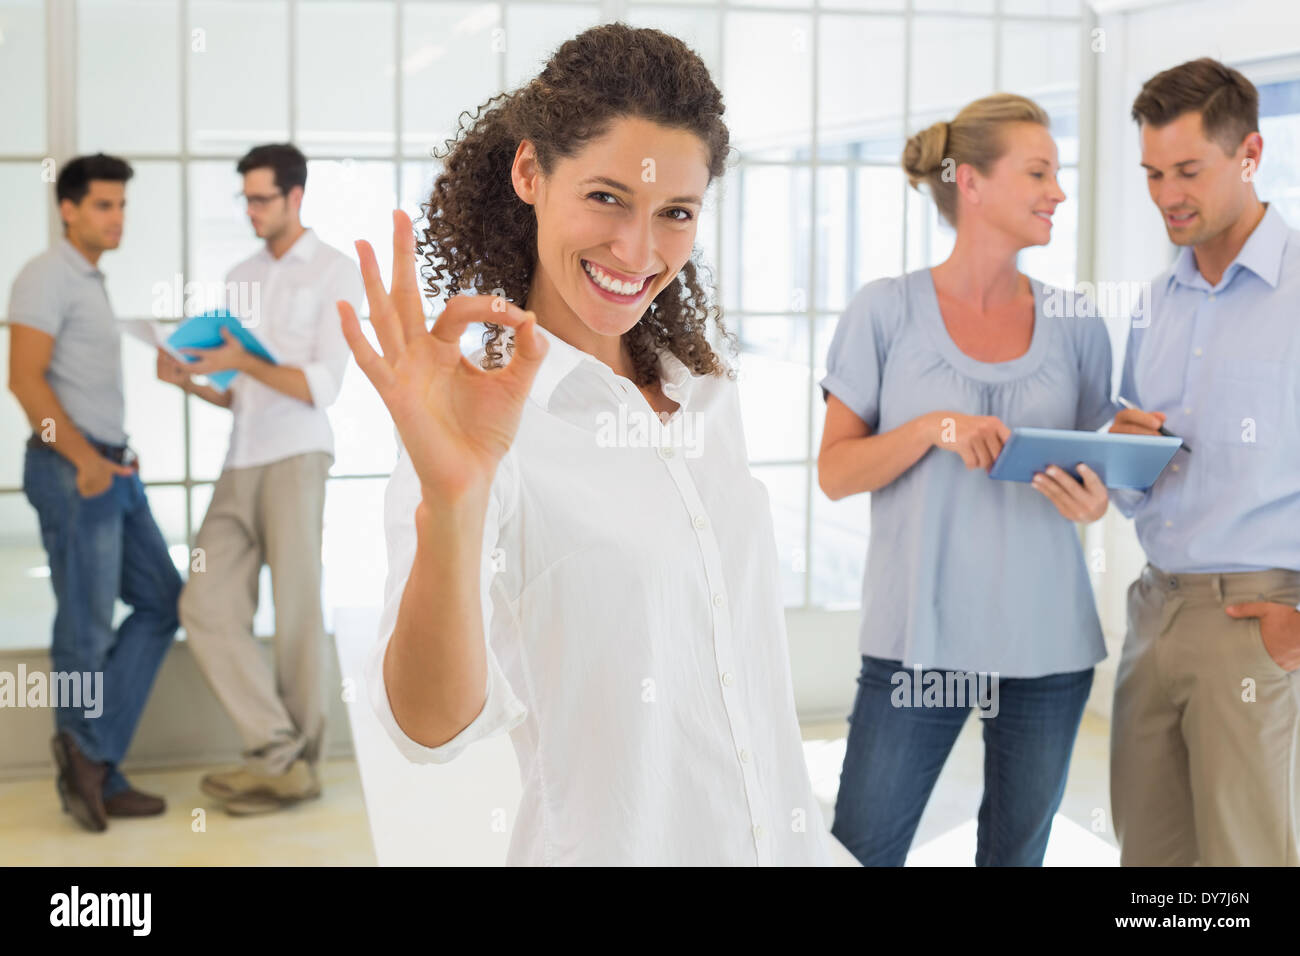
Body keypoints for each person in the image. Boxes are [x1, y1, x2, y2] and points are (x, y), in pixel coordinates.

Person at [342, 24, 833, 865]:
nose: (637, 251)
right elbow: (427, 727)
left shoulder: (706, 396)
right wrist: (455, 501)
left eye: (675, 213)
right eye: (606, 197)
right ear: (530, 173)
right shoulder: (482, 437)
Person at [819, 94, 1117, 866]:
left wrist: (1096, 498)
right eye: (1038, 172)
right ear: (972, 183)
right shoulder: (884, 311)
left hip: (1049, 644)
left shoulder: (1077, 322)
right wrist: (930, 429)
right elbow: (836, 473)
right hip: (918, 643)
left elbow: (1094, 468)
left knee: (1016, 859)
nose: (1058, 192)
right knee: (860, 852)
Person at [1108, 58, 1300, 866]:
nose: (1167, 195)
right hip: (1154, 610)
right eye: (1153, 173)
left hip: (1257, 620)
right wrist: (1122, 454)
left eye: (1188, 170)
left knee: (1245, 866)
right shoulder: (1155, 304)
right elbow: (1135, 481)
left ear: (1250, 154)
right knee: (1150, 865)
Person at [157, 143, 363, 815]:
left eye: (261, 199)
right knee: (205, 604)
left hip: (297, 455)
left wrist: (243, 360)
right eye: (244, 199)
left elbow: (322, 386)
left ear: (295, 197)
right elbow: (236, 390)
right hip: (240, 455)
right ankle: (278, 755)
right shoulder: (240, 274)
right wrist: (188, 379)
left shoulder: (334, 271)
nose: (250, 210)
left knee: (297, 612)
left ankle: (300, 767)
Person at [8, 153, 181, 831]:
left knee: (162, 599)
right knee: (86, 625)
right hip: (71, 470)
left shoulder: (90, 279)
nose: (117, 218)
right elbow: (24, 380)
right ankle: (95, 769)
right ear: (69, 209)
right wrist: (83, 457)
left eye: (122, 205)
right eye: (104, 205)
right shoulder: (46, 274)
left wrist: (112, 455)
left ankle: (93, 753)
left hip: (111, 469)